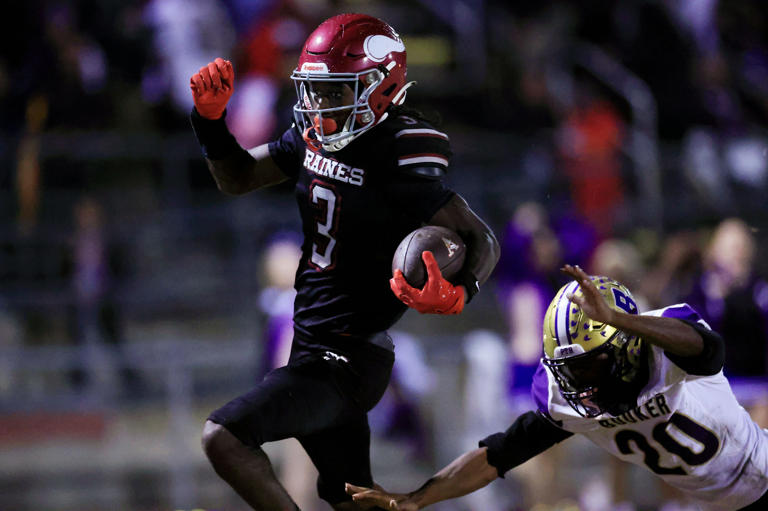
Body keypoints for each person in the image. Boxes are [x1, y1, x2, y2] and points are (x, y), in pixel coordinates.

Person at [188, 13, 500, 511]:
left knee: (224, 436)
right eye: (317, 89)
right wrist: (209, 124)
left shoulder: (398, 148)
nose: (321, 105)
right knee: (351, 499)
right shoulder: (313, 133)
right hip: (317, 344)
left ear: (382, 86)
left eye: (336, 91)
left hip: (346, 358)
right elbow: (239, 177)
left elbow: (477, 237)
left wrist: (462, 288)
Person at [346, 264, 768, 511]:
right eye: (571, 369)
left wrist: (623, 320)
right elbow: (496, 455)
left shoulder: (662, 346)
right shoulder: (569, 397)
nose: (578, 381)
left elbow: (708, 350)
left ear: (624, 344)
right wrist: (420, 498)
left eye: (590, 364)